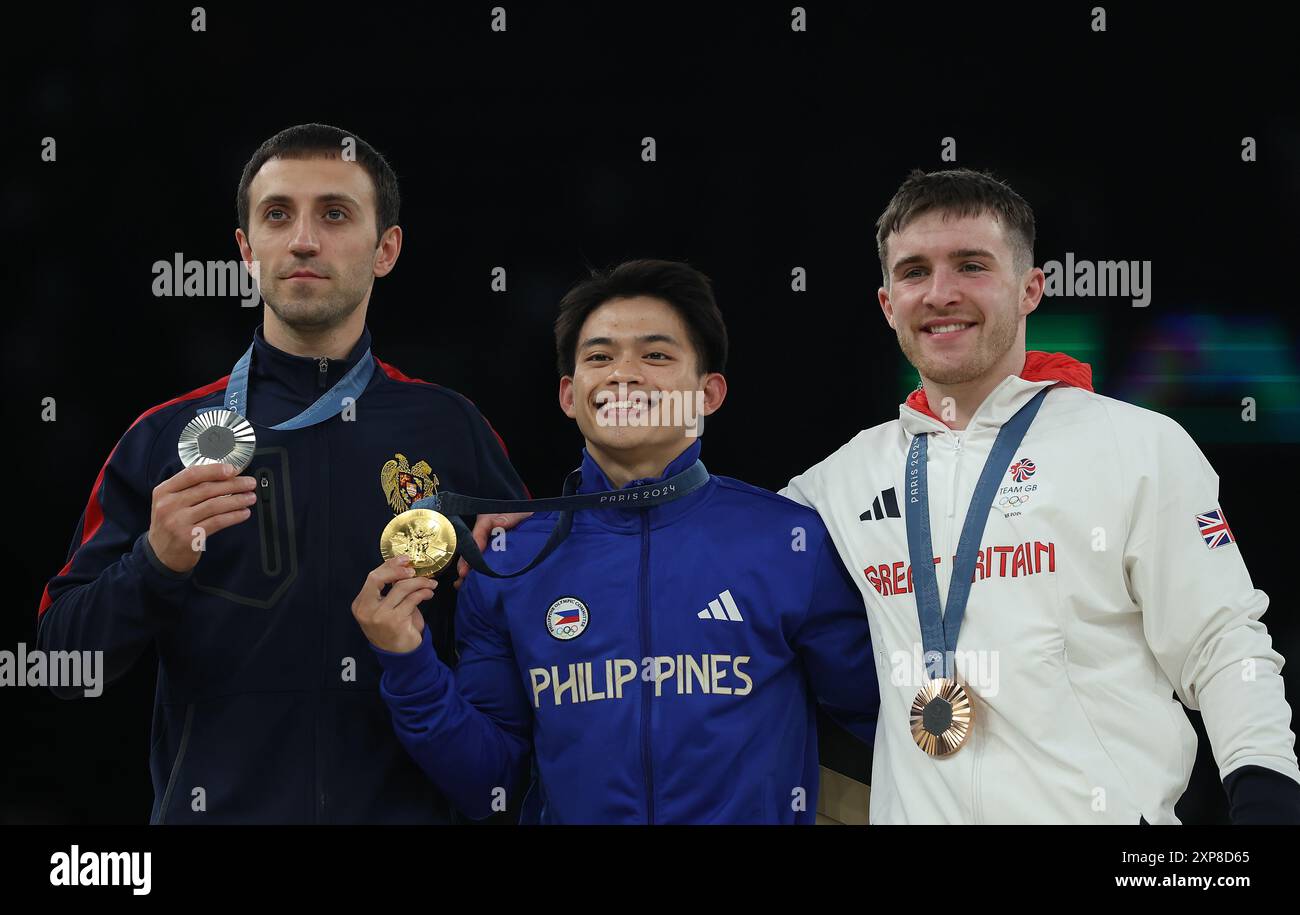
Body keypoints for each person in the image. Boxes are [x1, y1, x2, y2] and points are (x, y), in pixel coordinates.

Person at [36, 123, 527, 823]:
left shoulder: (452, 431)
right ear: (245, 251)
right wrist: (153, 564)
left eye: (334, 213)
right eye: (277, 215)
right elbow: (63, 667)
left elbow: (521, 649)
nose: (303, 239)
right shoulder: (162, 438)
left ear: (386, 248)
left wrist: (526, 561)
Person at [780, 167, 1300, 824]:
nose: (940, 292)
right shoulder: (837, 483)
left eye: (971, 265)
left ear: (1031, 290)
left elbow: (1222, 641)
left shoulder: (1137, 444)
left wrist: (1267, 789)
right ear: (888, 303)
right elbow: (713, 558)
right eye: (914, 272)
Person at [352, 259, 879, 824]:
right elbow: (488, 784)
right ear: (569, 394)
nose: (623, 374)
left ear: (708, 394)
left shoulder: (787, 541)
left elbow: (885, 720)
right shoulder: (512, 561)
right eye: (599, 357)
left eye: (655, 355)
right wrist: (407, 662)